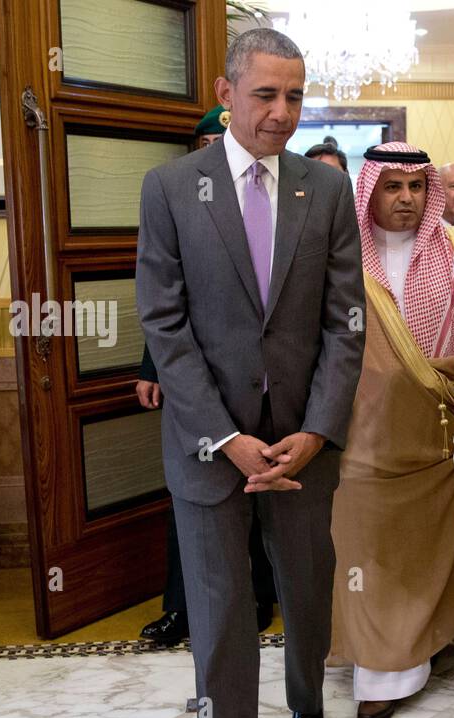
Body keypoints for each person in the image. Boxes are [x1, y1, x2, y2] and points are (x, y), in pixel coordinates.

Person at [135, 28, 365, 718]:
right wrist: (226, 439)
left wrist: (317, 426)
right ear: (229, 91)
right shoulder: (168, 189)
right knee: (223, 617)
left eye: (296, 97)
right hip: (208, 449)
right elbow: (165, 325)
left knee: (306, 586)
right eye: (266, 95)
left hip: (304, 442)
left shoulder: (326, 191)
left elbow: (349, 322)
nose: (281, 114)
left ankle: (306, 700)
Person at [329, 143, 454, 718]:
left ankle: (428, 644)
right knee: (367, 550)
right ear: (370, 190)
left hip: (442, 432)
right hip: (362, 436)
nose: (406, 199)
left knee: (435, 551)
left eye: (416, 187)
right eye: (392, 186)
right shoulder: (341, 253)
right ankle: (381, 667)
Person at [137, 104, 276, 647]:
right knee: (193, 505)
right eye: (202, 150)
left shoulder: (266, 200)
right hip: (195, 393)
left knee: (261, 502)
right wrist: (154, 368)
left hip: (264, 388)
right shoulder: (172, 196)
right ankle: (182, 608)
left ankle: (258, 598)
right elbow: (163, 302)